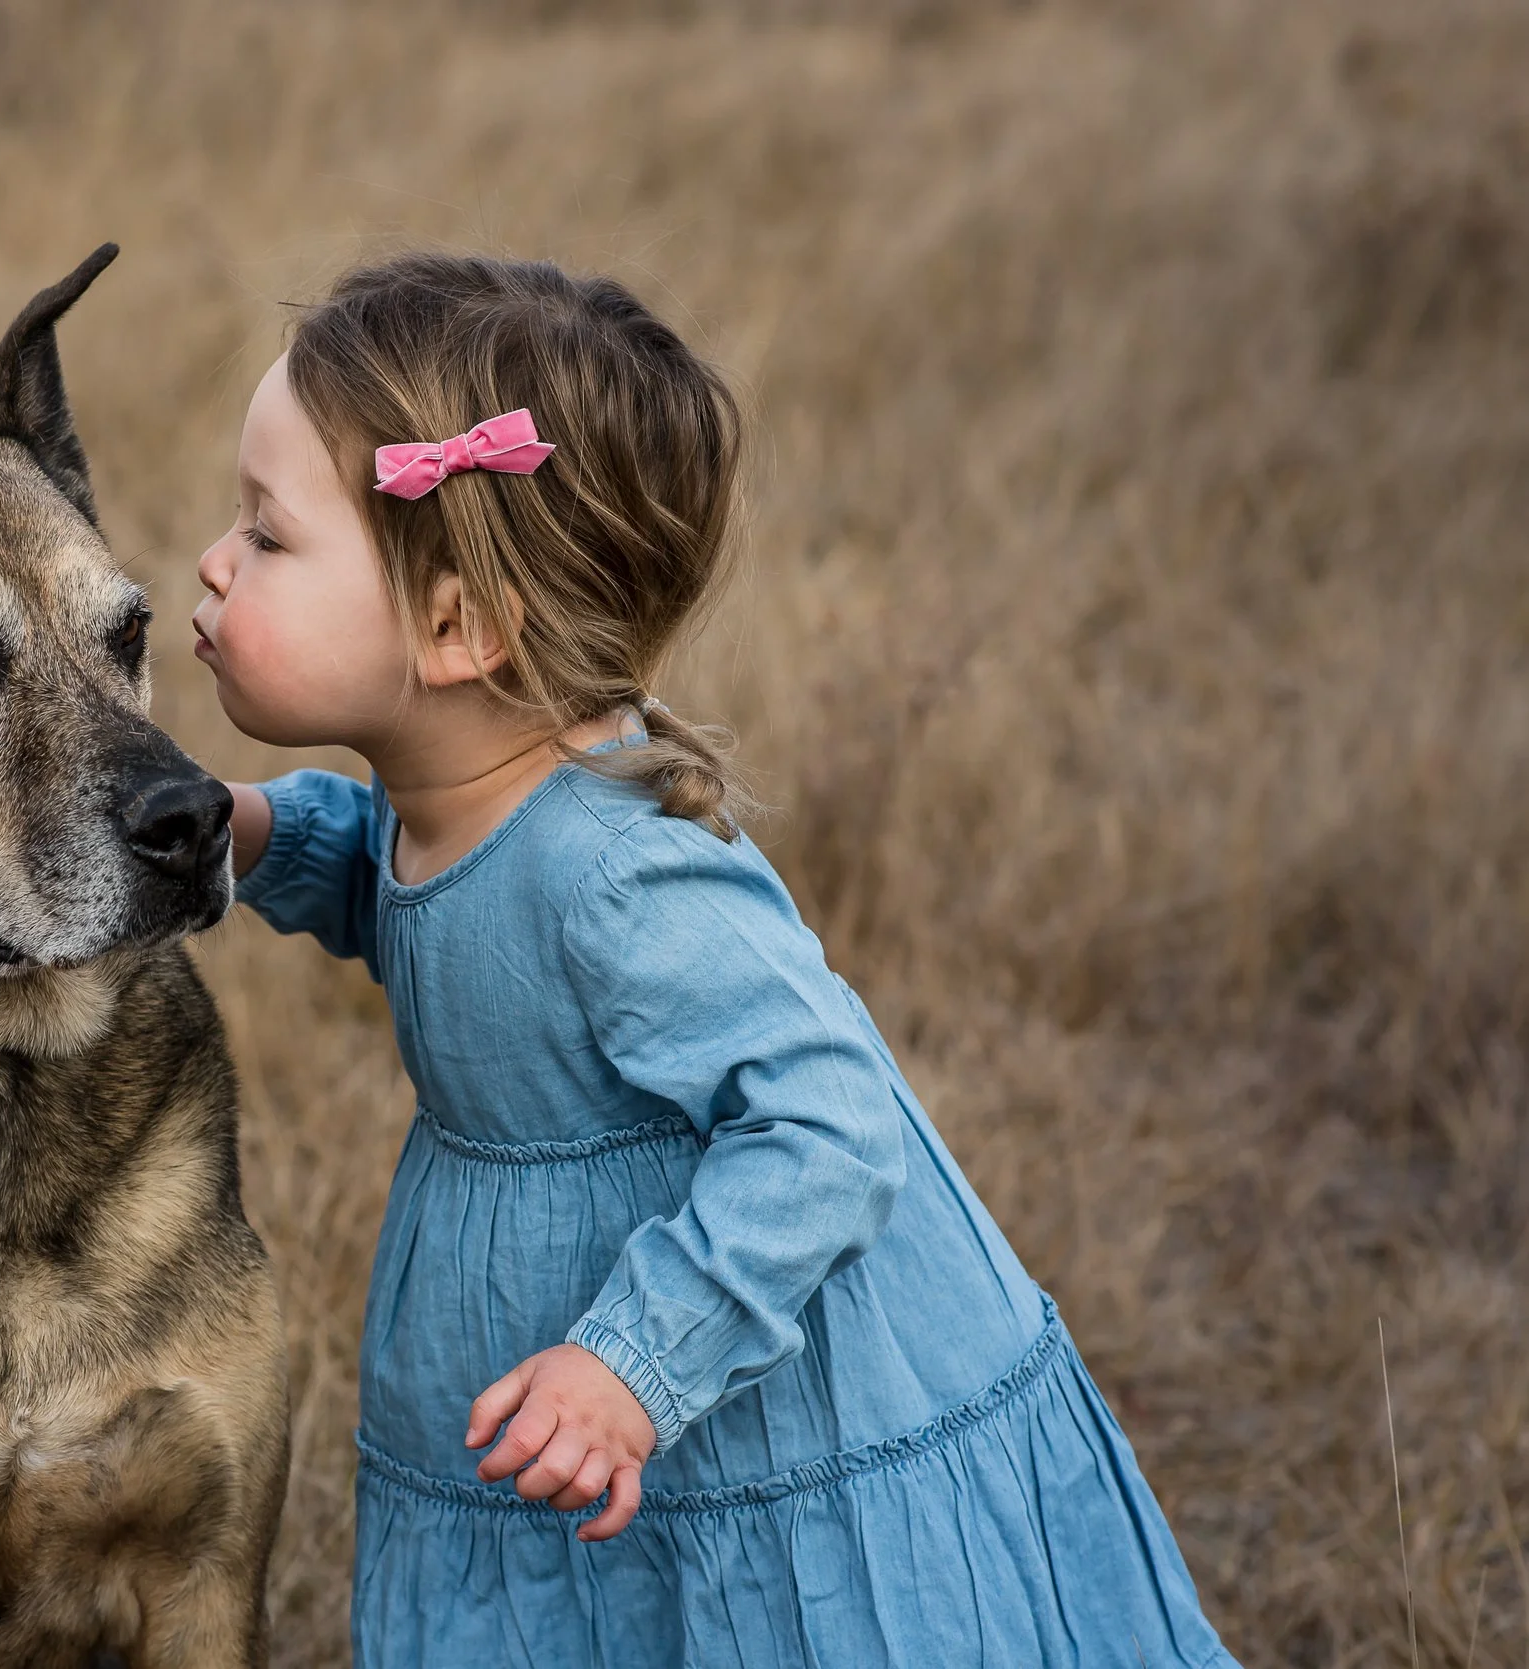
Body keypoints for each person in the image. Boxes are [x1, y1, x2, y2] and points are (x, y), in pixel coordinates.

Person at [189, 252, 1235, 1667]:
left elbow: (831, 1122)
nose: (212, 559)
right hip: (544, 1344)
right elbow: (406, 879)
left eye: (266, 534)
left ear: (458, 628)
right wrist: (255, 834)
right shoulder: (465, 791)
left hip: (740, 1368)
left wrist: (636, 1362)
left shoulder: (615, 868)